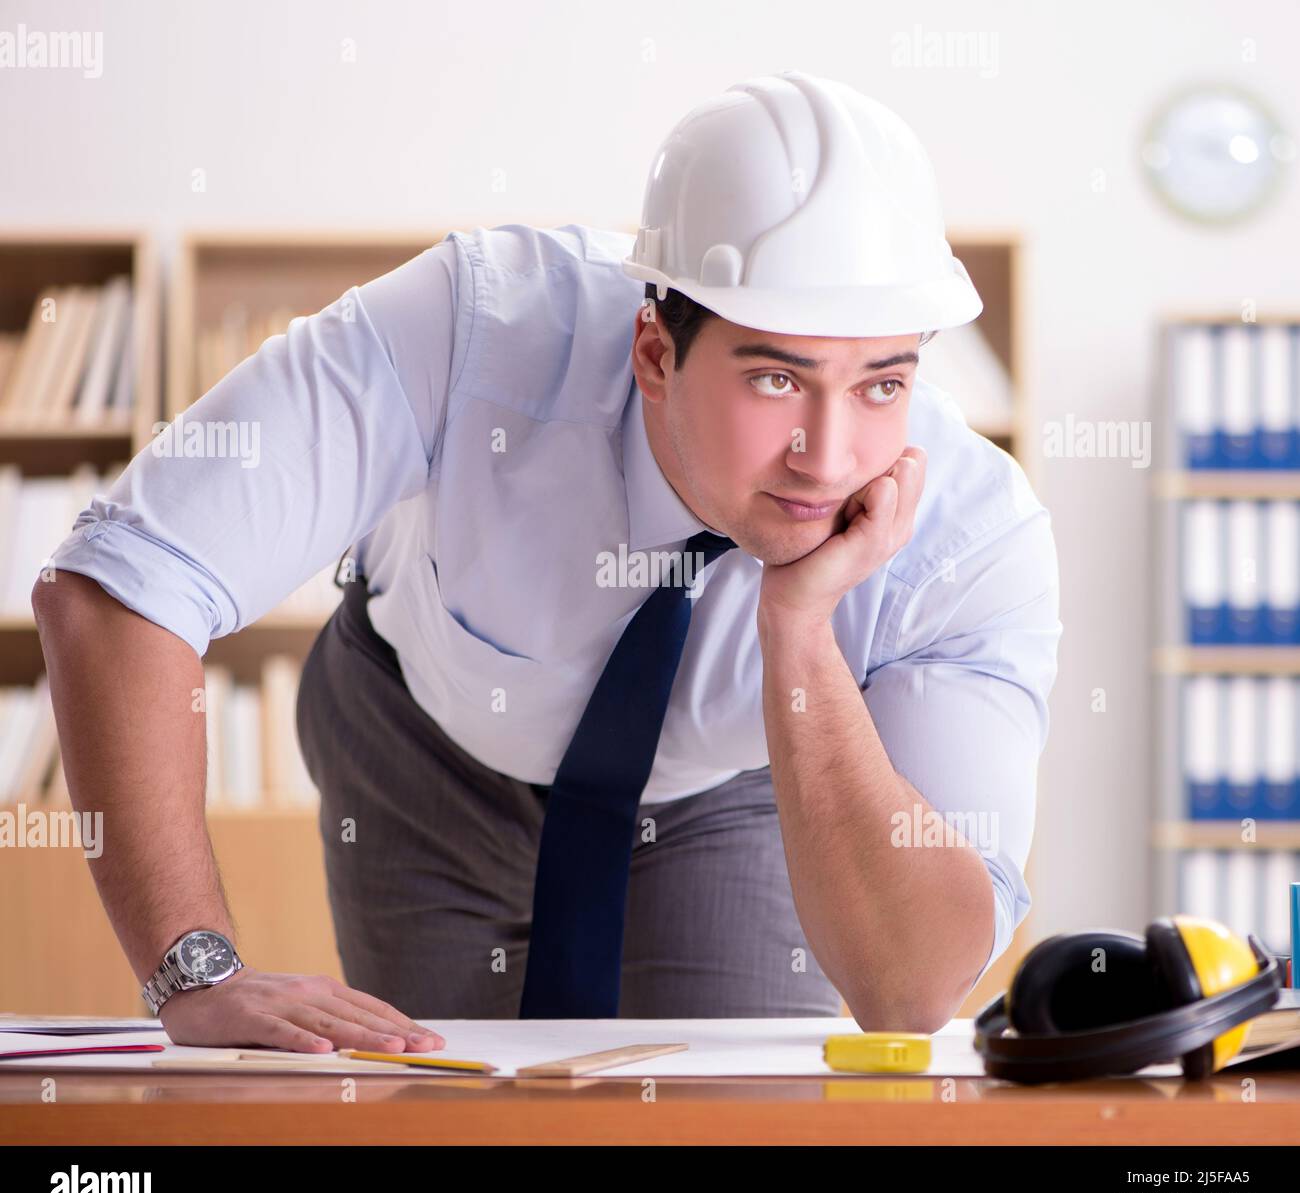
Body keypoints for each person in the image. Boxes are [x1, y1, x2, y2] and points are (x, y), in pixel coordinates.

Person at [32, 70, 1061, 1052]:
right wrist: (193, 970)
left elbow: (910, 985)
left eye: (881, 383)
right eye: (776, 379)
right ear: (654, 350)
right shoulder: (472, 328)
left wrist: (796, 633)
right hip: (425, 750)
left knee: (723, 1119)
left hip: (738, 776)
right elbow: (115, 584)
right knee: (452, 1103)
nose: (829, 457)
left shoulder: (968, 533)